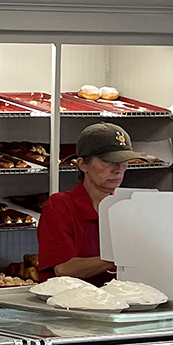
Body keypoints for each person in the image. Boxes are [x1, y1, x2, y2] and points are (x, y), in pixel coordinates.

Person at [38, 122, 139, 286]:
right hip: (69, 306)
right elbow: (64, 269)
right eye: (108, 161)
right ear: (82, 164)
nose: (118, 169)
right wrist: (120, 258)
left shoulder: (128, 207)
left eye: (124, 161)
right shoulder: (60, 206)